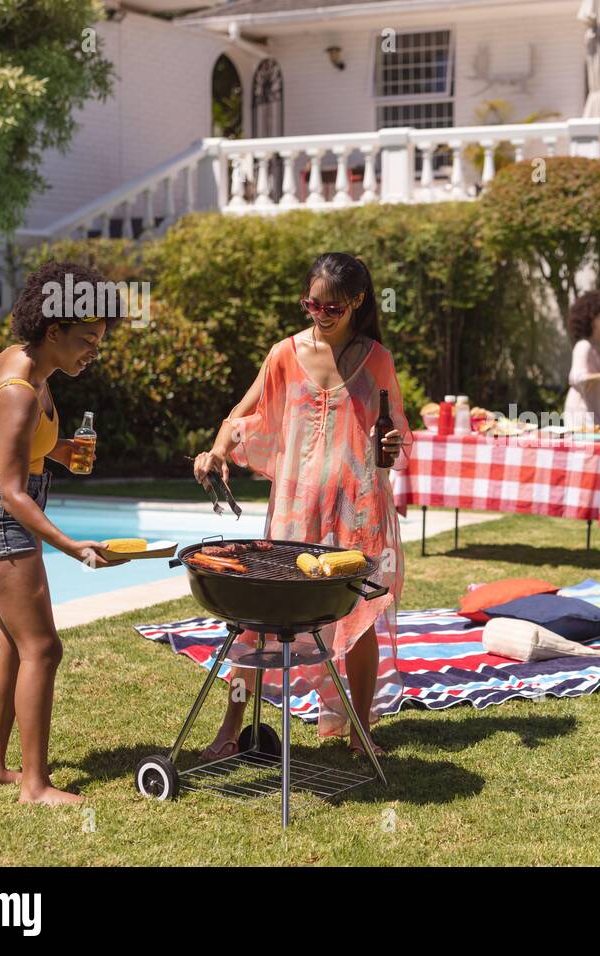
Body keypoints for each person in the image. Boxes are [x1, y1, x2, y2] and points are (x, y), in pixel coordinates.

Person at [193, 252, 412, 758]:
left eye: (331, 307)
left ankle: (359, 729)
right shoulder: (284, 354)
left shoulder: (375, 357)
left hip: (359, 511)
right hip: (294, 512)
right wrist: (219, 451)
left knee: (357, 620)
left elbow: (394, 428)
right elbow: (240, 415)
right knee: (254, 620)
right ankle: (229, 729)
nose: (318, 314)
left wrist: (394, 445)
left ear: (357, 302)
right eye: (311, 304)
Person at [0, 259, 117, 805]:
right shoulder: (22, 390)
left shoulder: (20, 361)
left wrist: (54, 450)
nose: (95, 349)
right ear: (54, 331)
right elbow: (11, 492)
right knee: (43, 648)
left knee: (14, 643)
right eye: (87, 339)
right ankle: (34, 785)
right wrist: (72, 546)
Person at [562, 290, 600, 435]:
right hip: (581, 413)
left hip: (599, 410)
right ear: (590, 320)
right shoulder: (583, 346)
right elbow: (576, 378)